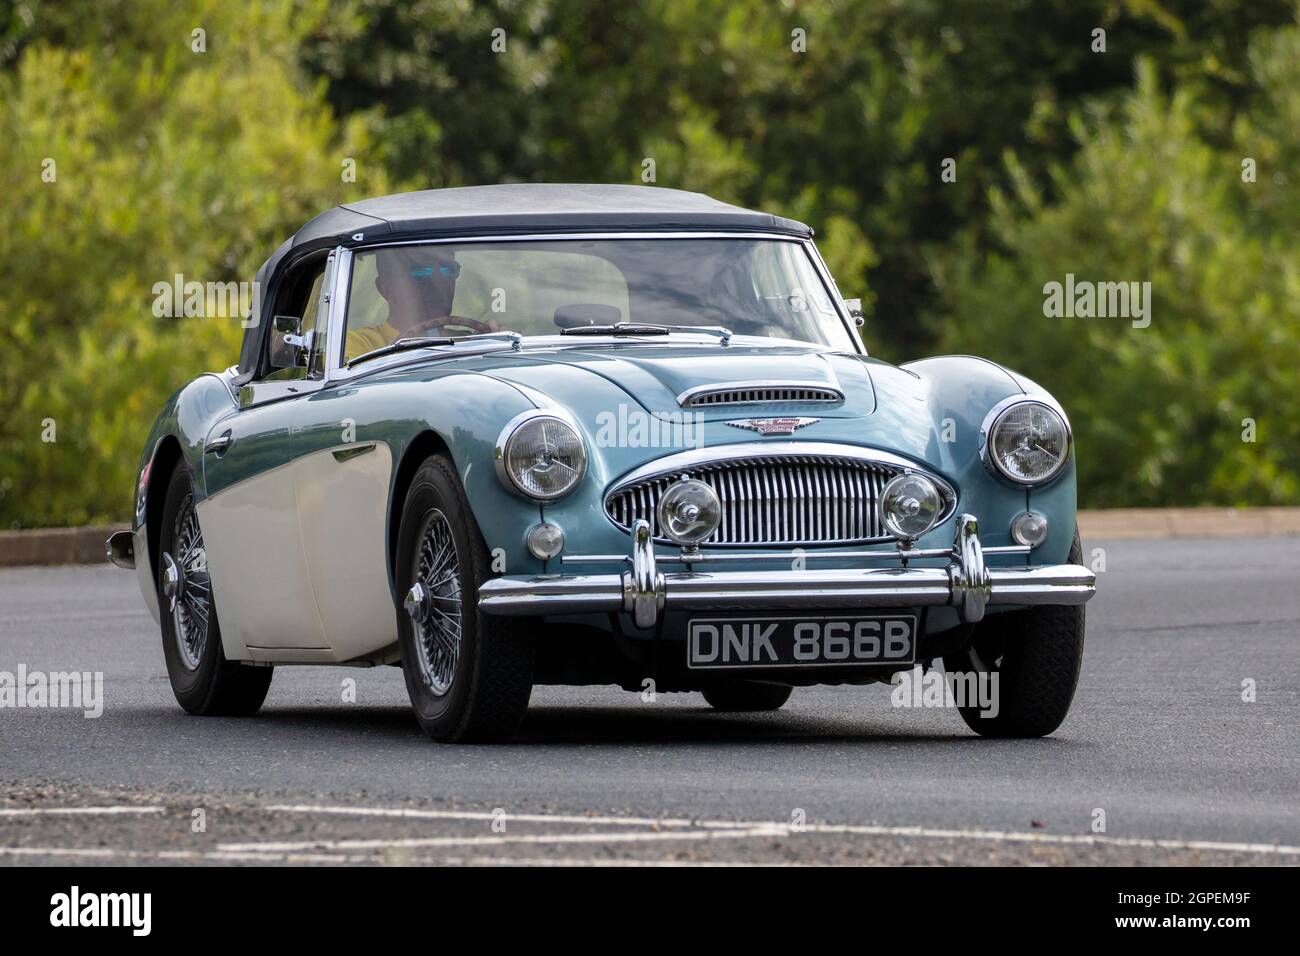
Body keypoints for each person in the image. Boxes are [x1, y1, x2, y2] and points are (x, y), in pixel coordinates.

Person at [345, 246, 490, 357]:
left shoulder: (473, 342)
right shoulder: (358, 345)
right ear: (386, 288)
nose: (439, 282)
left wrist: (493, 343)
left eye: (448, 270)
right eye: (420, 271)